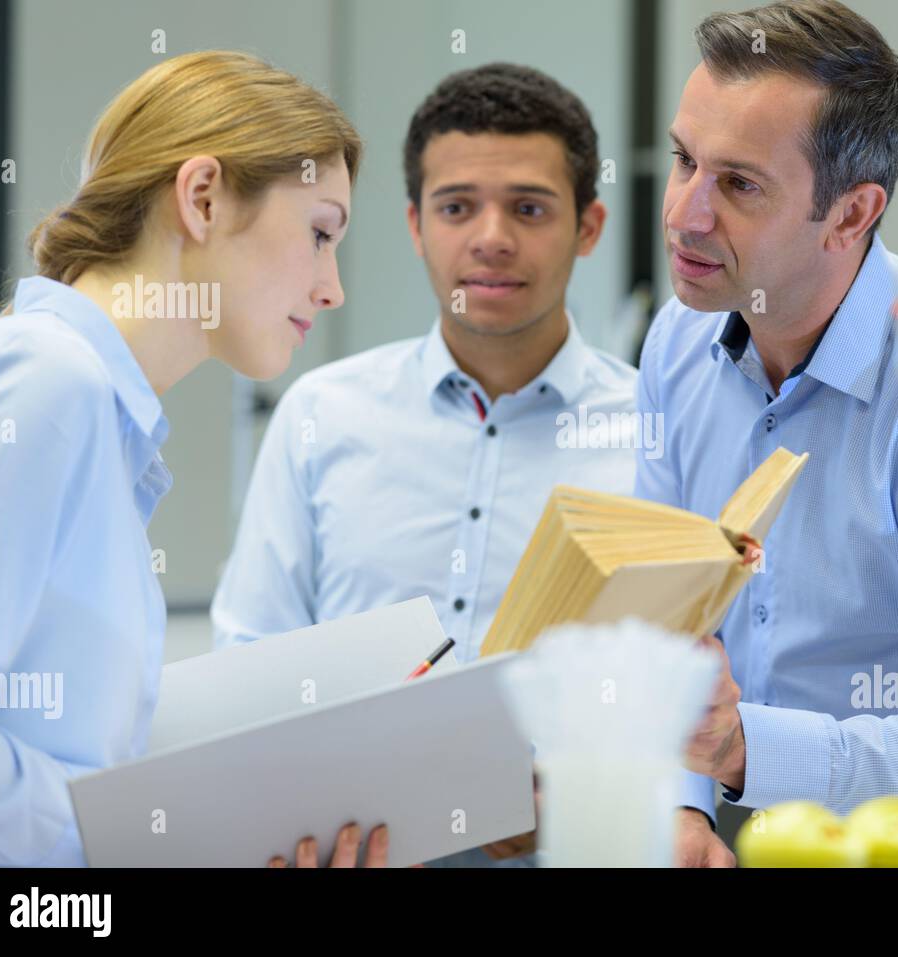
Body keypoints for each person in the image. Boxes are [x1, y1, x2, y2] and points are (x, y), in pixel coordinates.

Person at [0, 51, 380, 868]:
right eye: (319, 233)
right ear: (203, 198)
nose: (333, 288)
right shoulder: (45, 381)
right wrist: (136, 839)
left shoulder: (104, 425)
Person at [210, 64, 638, 865]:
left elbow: (700, 694)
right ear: (414, 225)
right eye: (456, 206)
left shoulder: (658, 433)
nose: (491, 236)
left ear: (588, 227)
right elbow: (251, 667)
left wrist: (581, 794)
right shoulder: (321, 414)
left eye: (530, 207)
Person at [635, 0, 898, 867]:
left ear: (853, 214)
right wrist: (682, 807)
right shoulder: (678, 342)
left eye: (738, 185)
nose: (685, 215)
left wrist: (741, 748)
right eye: (683, 162)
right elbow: (661, 633)